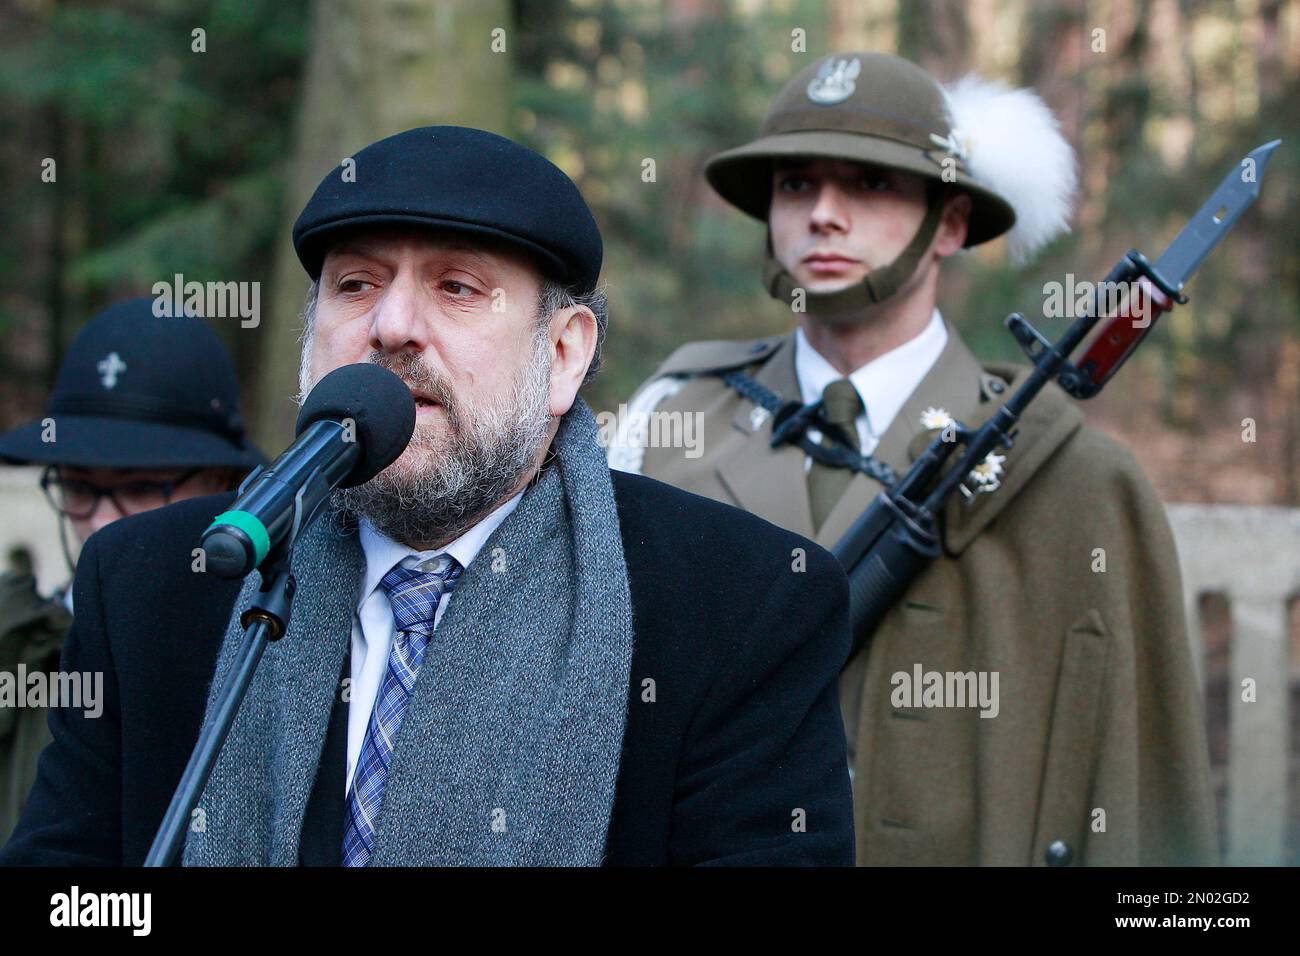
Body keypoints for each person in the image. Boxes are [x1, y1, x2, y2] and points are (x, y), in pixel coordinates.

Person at [0, 126, 855, 867]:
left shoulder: (739, 605)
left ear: (563, 354)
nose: (392, 326)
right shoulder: (157, 582)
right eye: (356, 285)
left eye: (456, 287)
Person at [609, 52, 1217, 865]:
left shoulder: (1070, 477)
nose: (824, 214)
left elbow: (1142, 779)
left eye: (870, 184)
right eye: (797, 185)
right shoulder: (668, 423)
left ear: (953, 224)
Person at [0, 297, 264, 844]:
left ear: (219, 485)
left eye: (141, 488)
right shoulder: (12, 640)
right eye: (78, 487)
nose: (101, 523)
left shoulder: (270, 643)